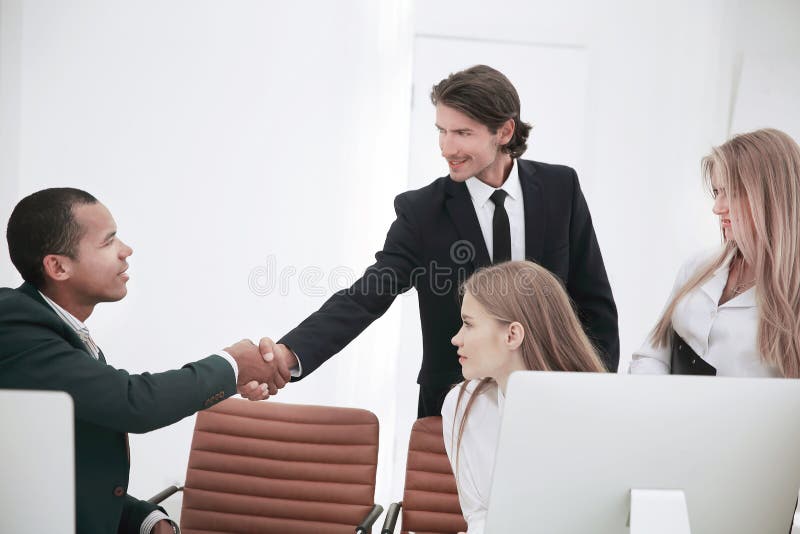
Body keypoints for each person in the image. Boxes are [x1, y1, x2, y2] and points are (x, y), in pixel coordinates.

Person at [255, 64, 618, 417]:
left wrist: (594, 391)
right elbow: (366, 296)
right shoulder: (421, 212)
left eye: (463, 133)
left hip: (552, 400)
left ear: (505, 132)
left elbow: (593, 301)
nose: (446, 147)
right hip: (454, 404)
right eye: (441, 131)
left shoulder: (560, 190)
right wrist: (290, 354)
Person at [0, 188, 288, 534]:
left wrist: (145, 519)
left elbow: (69, 473)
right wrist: (234, 365)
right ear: (58, 266)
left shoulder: (59, 332)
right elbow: (134, 402)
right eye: (108, 243)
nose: (126, 251)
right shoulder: (14, 324)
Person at [441, 260, 606, 533]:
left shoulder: (591, 410)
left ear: (512, 335)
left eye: (468, 325)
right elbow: (479, 516)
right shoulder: (461, 404)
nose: (456, 339)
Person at [630, 128, 800, 377]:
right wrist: (655, 399)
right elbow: (652, 354)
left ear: (770, 198)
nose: (717, 208)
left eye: (731, 193)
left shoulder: (792, 295)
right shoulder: (698, 267)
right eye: (717, 192)